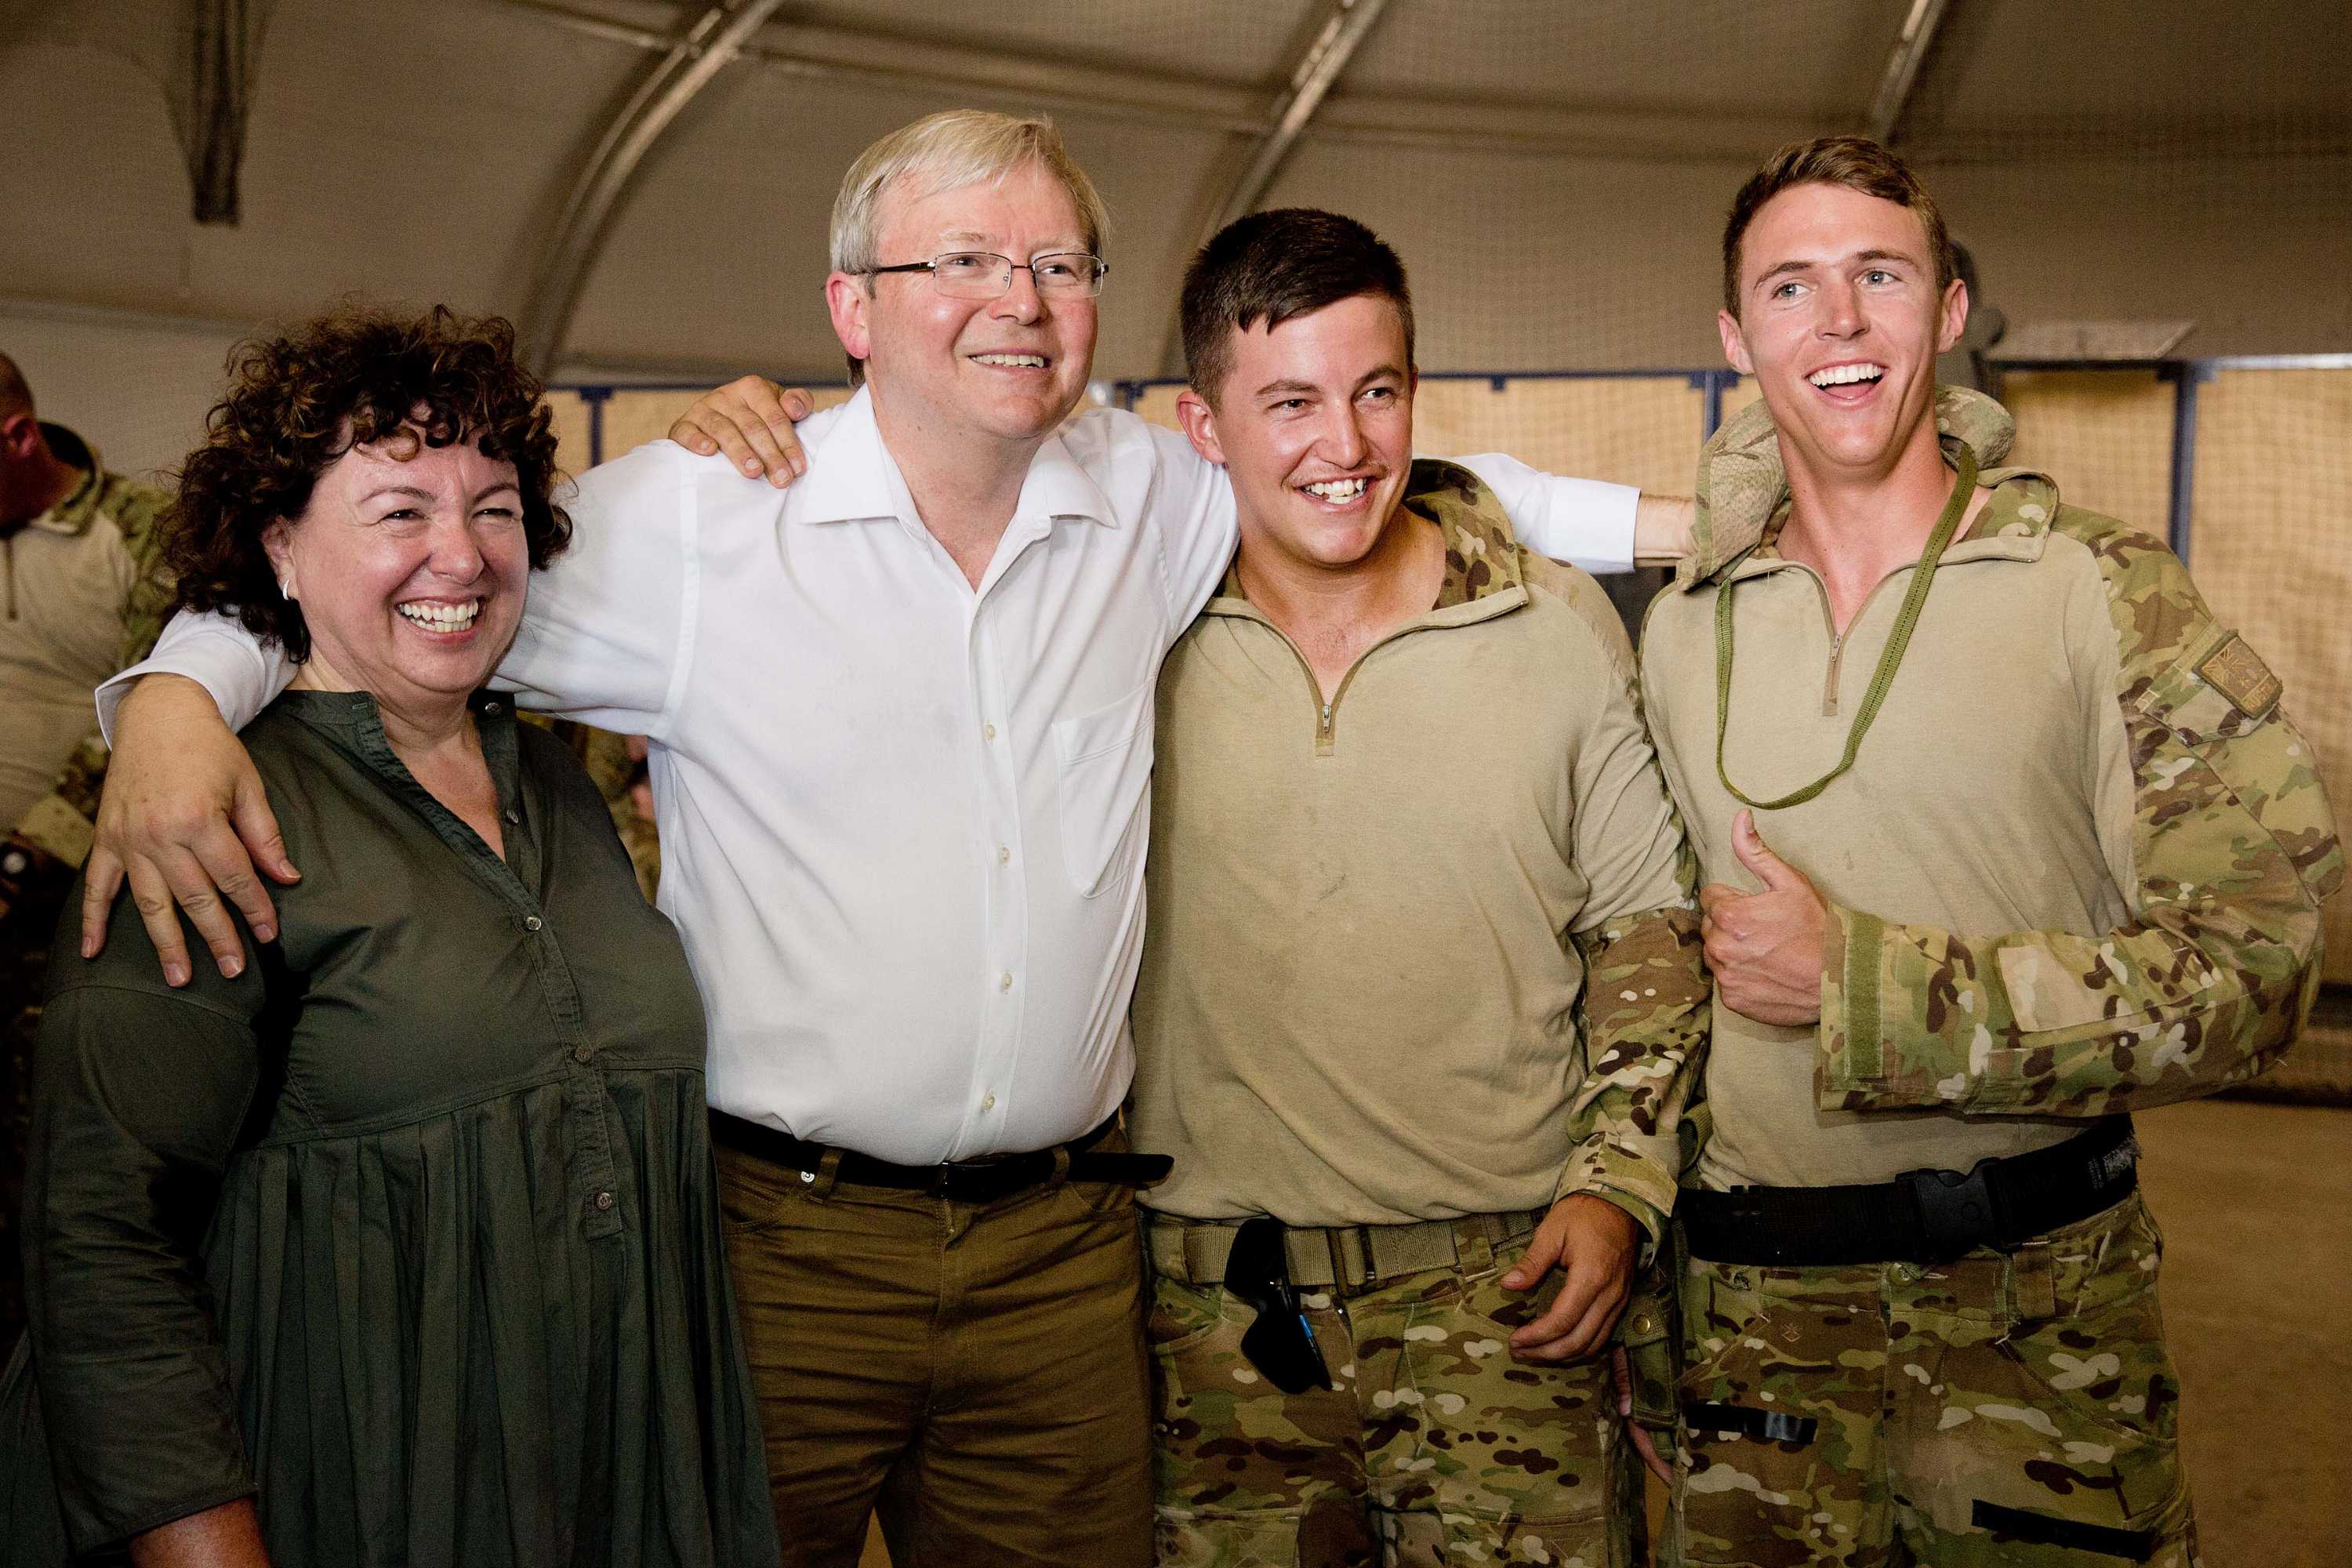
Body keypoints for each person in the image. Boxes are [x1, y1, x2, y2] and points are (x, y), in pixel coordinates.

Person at [85, 112, 1687, 1566]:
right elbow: (396, 584)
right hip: (779, 1251)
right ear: (852, 308)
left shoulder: (1154, 495)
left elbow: (1392, 472)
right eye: (965, 261)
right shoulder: (698, 525)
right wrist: (175, 695)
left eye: (1059, 265)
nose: (1021, 300)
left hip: (1061, 1261)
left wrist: (1719, 527)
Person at [1635, 136, 2342, 1566]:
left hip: (2038, 1320)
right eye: (1789, 287)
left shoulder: (2102, 591)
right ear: (1735, 337)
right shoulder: (1683, 625)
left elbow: (2261, 966)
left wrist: (1868, 988)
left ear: (1949, 310)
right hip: (1754, 1329)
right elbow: (1647, 982)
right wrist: (1645, 1286)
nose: (1838, 321)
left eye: (1880, 276)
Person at [0, 309, 780, 1566]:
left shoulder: (556, 783)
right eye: (399, 511)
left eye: (494, 509)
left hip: (598, 1481)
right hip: (344, 1486)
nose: (459, 556)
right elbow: (102, 1242)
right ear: (281, 547)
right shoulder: (208, 815)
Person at [1129, 208, 1710, 1567]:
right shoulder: (1126, 634)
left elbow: (1648, 934)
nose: (1345, 446)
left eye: (1376, 392)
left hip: (1511, 1298)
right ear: (1202, 425)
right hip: (1214, 1322)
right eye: (1290, 403)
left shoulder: (1552, 622)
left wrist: (1618, 1187)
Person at [0, 353, 175, 1343]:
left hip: (69, 902)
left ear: (19, 437)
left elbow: (151, 708)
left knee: (55, 1180)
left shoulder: (139, 529)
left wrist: (25, 859)